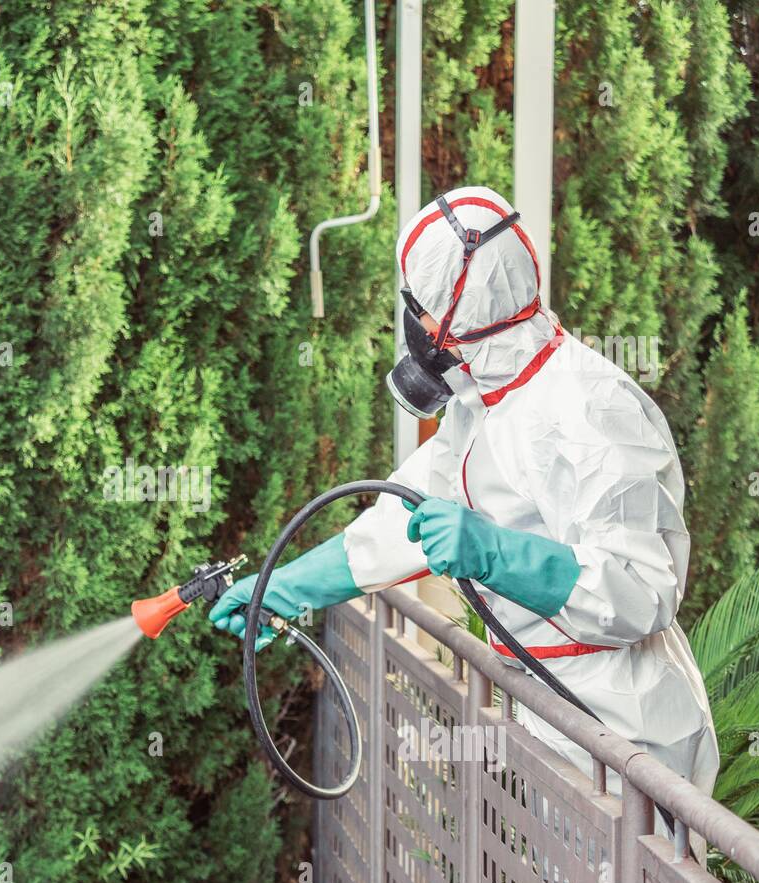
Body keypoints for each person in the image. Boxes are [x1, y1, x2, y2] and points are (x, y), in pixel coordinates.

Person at [210, 186, 719, 797]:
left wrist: (494, 553)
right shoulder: (484, 403)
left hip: (629, 739)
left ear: (457, 315)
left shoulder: (590, 406)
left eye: (417, 306)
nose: (412, 323)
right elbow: (402, 521)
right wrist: (282, 589)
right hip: (553, 722)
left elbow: (640, 590)